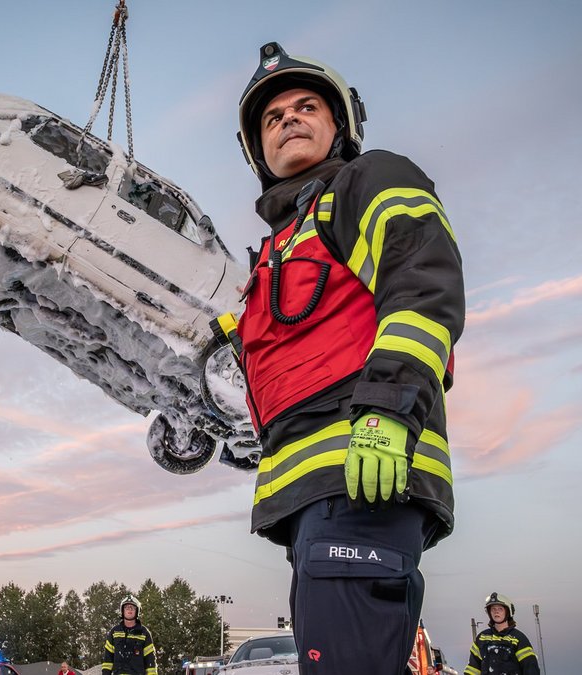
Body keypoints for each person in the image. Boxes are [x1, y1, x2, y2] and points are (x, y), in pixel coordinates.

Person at [221, 41, 465, 674]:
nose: (289, 121)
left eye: (306, 107)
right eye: (273, 119)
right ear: (258, 151)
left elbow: (423, 285)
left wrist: (387, 409)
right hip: (316, 503)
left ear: (340, 127)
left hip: (364, 480)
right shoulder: (277, 251)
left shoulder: (364, 182)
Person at [466, 593, 541, 675]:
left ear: (508, 612)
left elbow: (530, 667)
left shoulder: (518, 638)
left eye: (500, 609)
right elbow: (472, 669)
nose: (496, 611)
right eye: (493, 609)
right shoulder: (482, 638)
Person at [101, 595, 156, 675]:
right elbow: (108, 660)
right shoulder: (114, 632)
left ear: (137, 611)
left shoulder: (144, 633)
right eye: (127, 607)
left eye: (132, 607)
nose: (129, 609)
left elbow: (150, 661)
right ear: (122, 611)